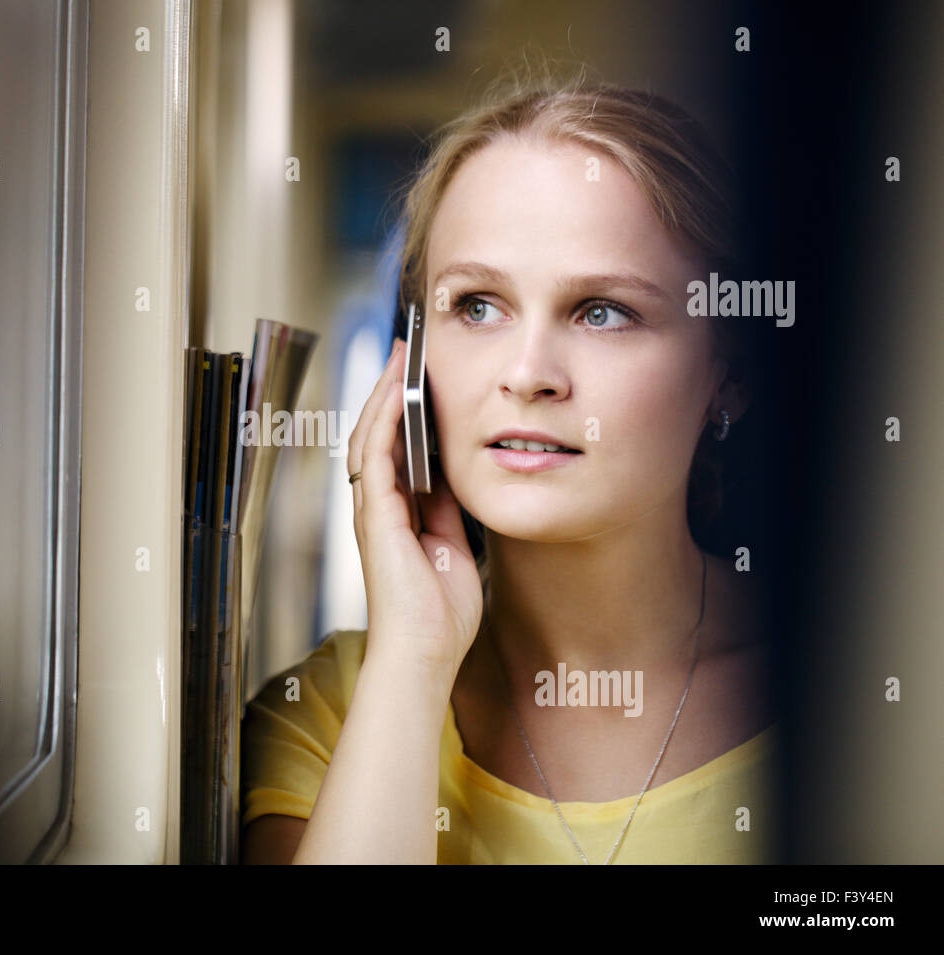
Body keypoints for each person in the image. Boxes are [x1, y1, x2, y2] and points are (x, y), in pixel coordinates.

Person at [240, 71, 778, 864]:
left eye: (603, 311)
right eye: (478, 306)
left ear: (728, 370)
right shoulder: (327, 712)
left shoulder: (855, 682)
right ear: (410, 366)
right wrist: (416, 661)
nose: (528, 374)